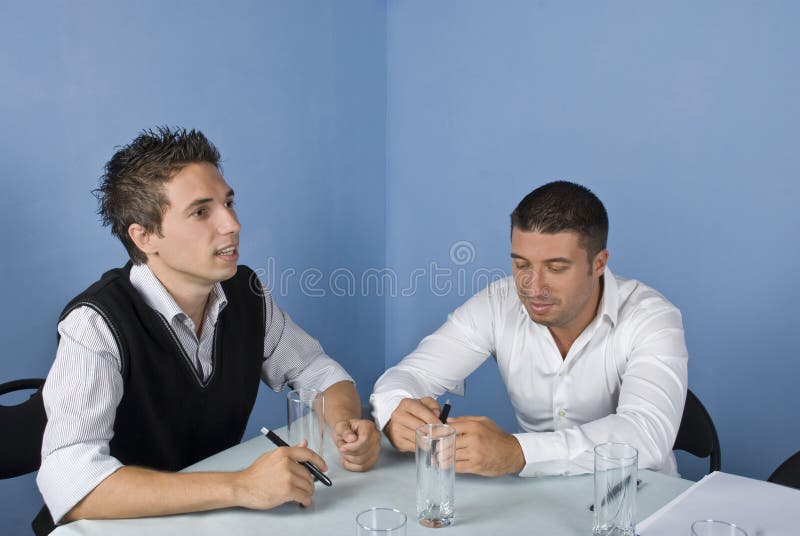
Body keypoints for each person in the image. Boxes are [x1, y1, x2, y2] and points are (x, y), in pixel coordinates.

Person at [35, 127, 380, 534]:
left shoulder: (246, 293)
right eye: (201, 212)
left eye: (228, 203)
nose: (232, 223)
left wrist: (345, 426)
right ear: (145, 236)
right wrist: (241, 486)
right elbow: (70, 484)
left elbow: (317, 371)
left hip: (210, 521)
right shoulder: (95, 323)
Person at [371, 181, 688, 478]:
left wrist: (519, 452)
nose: (533, 288)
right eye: (521, 264)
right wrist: (396, 409)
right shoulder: (498, 303)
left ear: (598, 263)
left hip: (639, 495)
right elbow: (410, 375)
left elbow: (647, 434)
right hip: (542, 498)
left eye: (556, 268)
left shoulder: (652, 318)